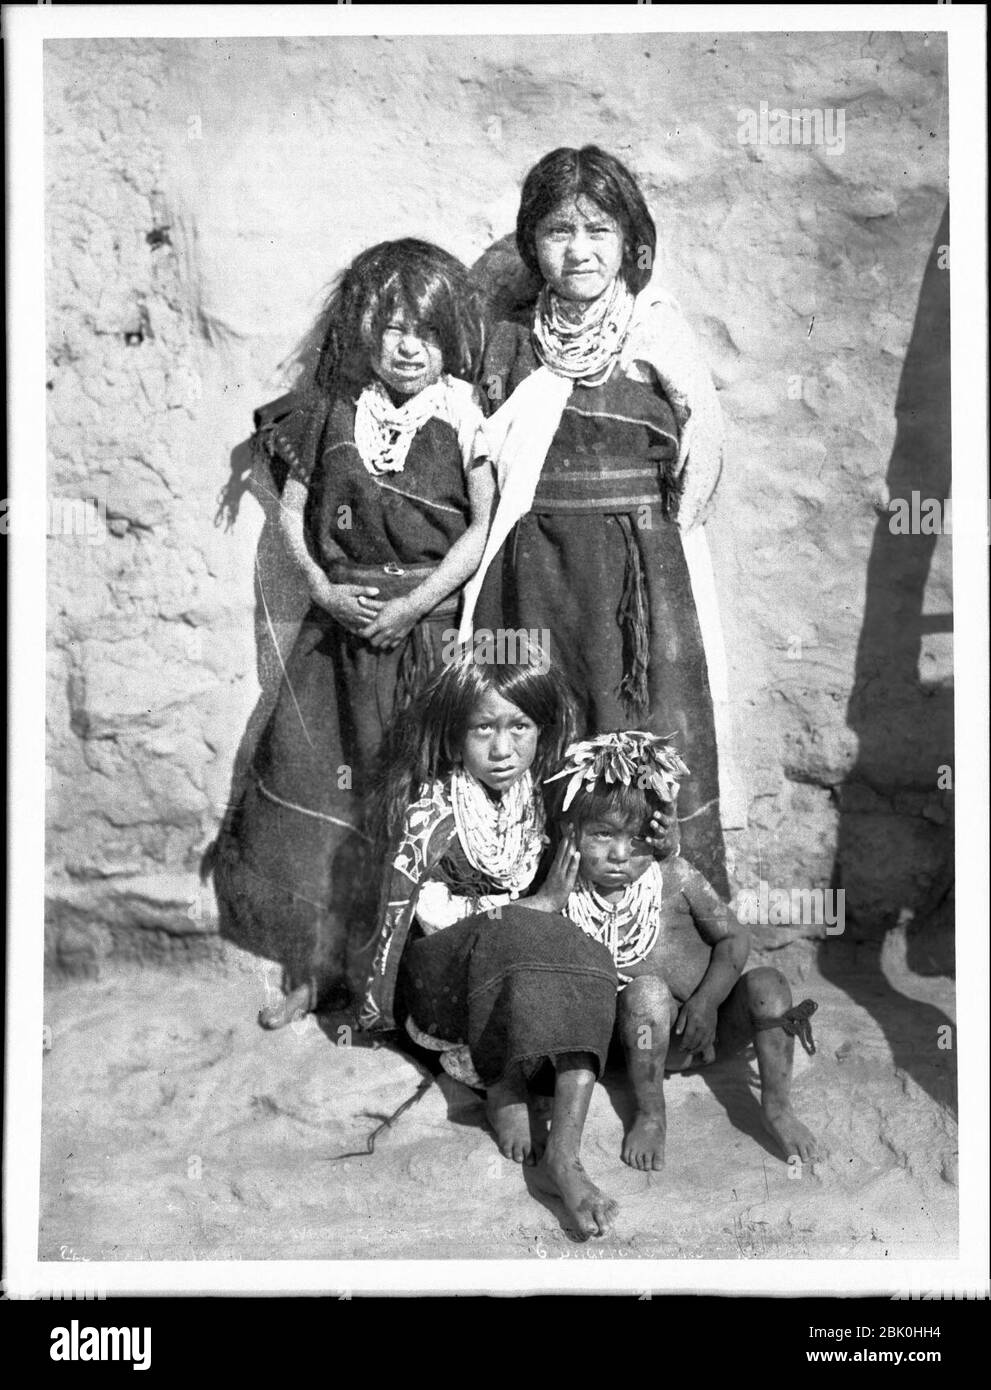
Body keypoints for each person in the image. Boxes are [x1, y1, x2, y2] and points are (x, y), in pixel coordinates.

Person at [211, 239, 495, 1028]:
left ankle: (406, 984)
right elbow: (295, 514)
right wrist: (325, 591)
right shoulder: (335, 409)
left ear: (453, 342)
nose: (410, 346)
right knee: (326, 795)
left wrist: (416, 606)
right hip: (335, 643)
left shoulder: (466, 414)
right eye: (395, 327)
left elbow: (478, 531)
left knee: (415, 805)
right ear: (367, 330)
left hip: (425, 640)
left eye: (428, 333)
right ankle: (317, 970)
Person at [461, 145, 730, 895]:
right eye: (557, 232)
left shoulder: (654, 331)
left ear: (629, 243)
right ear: (531, 243)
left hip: (632, 577)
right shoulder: (511, 338)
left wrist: (649, 538)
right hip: (533, 568)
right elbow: (481, 445)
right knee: (540, 723)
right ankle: (547, 919)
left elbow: (701, 448)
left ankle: (652, 921)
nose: (577, 250)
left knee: (635, 728)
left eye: (597, 231)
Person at [356, 645, 674, 1239]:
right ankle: (502, 1085)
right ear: (455, 737)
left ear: (540, 730)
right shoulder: (433, 813)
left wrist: (667, 842)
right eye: (483, 729)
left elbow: (619, 840)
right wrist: (539, 906)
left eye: (519, 727)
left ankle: (564, 1157)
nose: (503, 750)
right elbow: (431, 929)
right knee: (524, 935)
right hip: (449, 977)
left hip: (521, 964)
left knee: (586, 959)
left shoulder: (547, 801)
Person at [540, 730, 820, 1174]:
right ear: (570, 832)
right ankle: (651, 1114)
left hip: (708, 1035)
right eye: (601, 834)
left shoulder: (674, 877)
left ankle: (778, 1107)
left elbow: (736, 940)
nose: (618, 852)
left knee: (769, 984)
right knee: (646, 992)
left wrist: (707, 1002)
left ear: (655, 835)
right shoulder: (562, 895)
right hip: (633, 1049)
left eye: (634, 838)